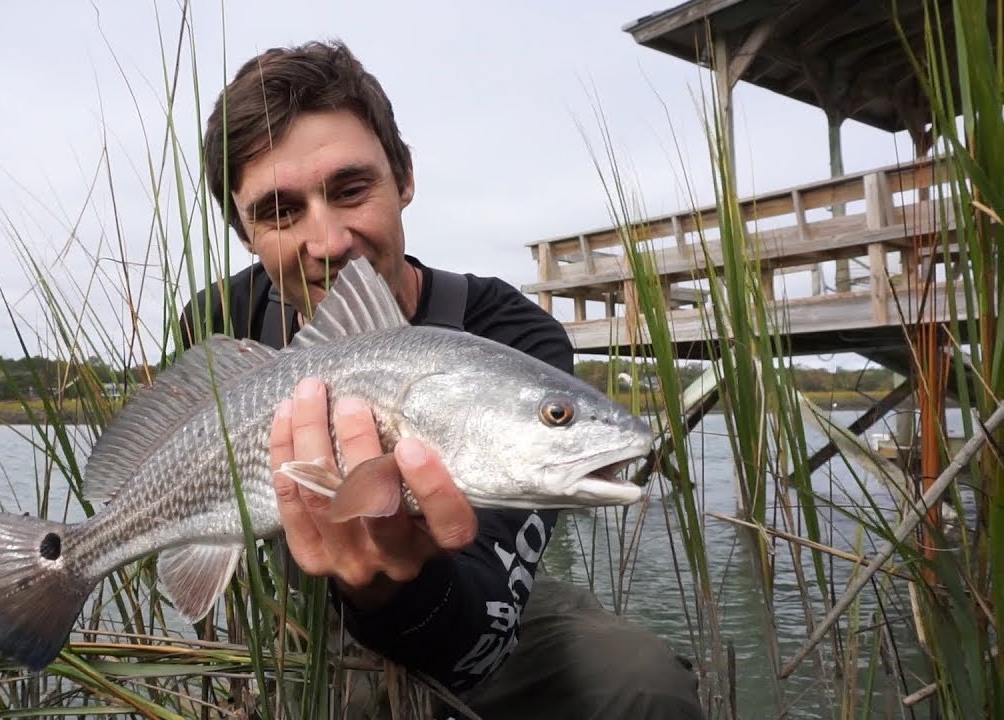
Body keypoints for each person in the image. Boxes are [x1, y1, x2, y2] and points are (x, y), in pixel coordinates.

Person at [183, 40, 704, 719]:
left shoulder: (516, 334)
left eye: (351, 189)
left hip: (469, 580)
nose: (330, 241)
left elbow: (483, 607)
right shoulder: (222, 317)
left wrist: (391, 590)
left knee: (646, 688)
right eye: (280, 211)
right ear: (245, 233)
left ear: (403, 177)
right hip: (295, 604)